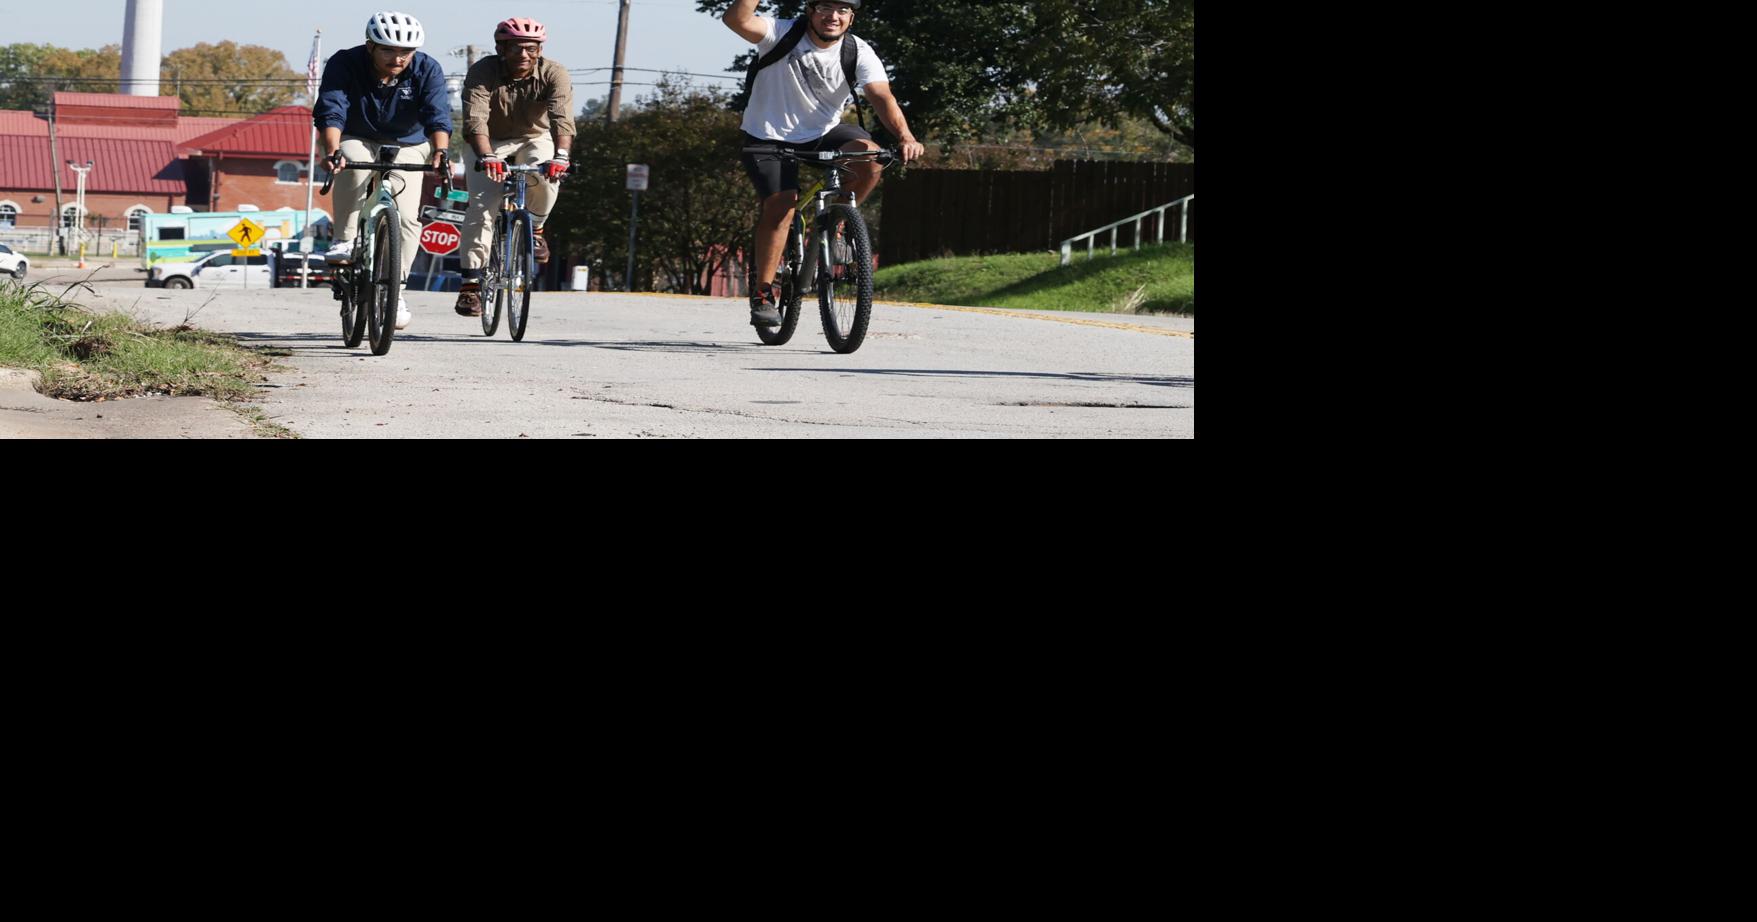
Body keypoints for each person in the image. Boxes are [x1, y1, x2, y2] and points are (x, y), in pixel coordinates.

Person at [722, 0, 925, 326]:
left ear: (851, 17)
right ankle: (763, 293)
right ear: (811, 12)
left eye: (842, 10)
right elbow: (736, 18)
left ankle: (839, 225)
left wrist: (905, 137)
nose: (834, 16)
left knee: (870, 157)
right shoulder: (780, 32)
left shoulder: (857, 50)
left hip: (822, 133)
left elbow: (881, 96)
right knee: (782, 205)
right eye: (826, 8)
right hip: (768, 134)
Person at [313, 10, 452, 330]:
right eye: (388, 49)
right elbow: (331, 109)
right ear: (370, 46)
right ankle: (345, 241)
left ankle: (395, 290)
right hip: (356, 134)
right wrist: (332, 150)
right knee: (352, 163)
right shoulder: (344, 62)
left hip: (409, 141)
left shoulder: (427, 68)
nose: (397, 58)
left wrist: (441, 151)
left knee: (405, 216)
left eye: (405, 51)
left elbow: (437, 114)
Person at [452, 17, 575, 316]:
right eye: (516, 48)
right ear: (501, 48)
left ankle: (535, 227)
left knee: (545, 176)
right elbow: (475, 120)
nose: (523, 55)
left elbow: (562, 119)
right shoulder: (483, 71)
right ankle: (471, 285)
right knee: (481, 206)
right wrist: (487, 157)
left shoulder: (554, 72)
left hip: (533, 137)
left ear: (539, 49)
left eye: (530, 49)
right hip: (487, 141)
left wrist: (561, 156)